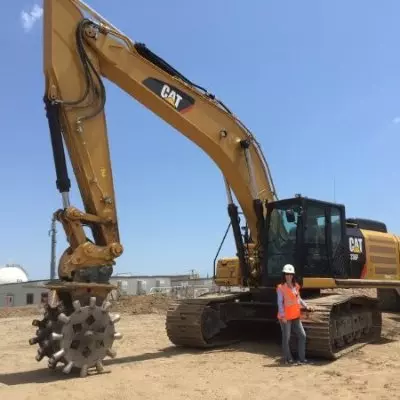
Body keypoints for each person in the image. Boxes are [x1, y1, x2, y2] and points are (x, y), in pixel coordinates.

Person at [276, 264, 314, 365]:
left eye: (290, 274)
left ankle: (301, 359)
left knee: (302, 336)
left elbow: (298, 299)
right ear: (284, 275)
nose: (288, 276)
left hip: (295, 316)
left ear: (293, 275)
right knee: (286, 338)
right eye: (286, 274)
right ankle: (288, 359)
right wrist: (283, 316)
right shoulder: (281, 288)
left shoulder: (296, 286)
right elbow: (280, 303)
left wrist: (306, 306)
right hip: (286, 317)